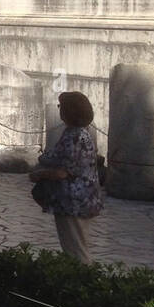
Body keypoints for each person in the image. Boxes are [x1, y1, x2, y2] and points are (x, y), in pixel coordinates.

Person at [29, 91, 101, 264]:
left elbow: (63, 171)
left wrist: (38, 175)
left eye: (61, 106)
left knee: (75, 250)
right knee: (75, 246)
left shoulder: (75, 137)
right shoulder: (79, 133)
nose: (59, 109)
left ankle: (82, 284)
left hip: (72, 201)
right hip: (81, 198)